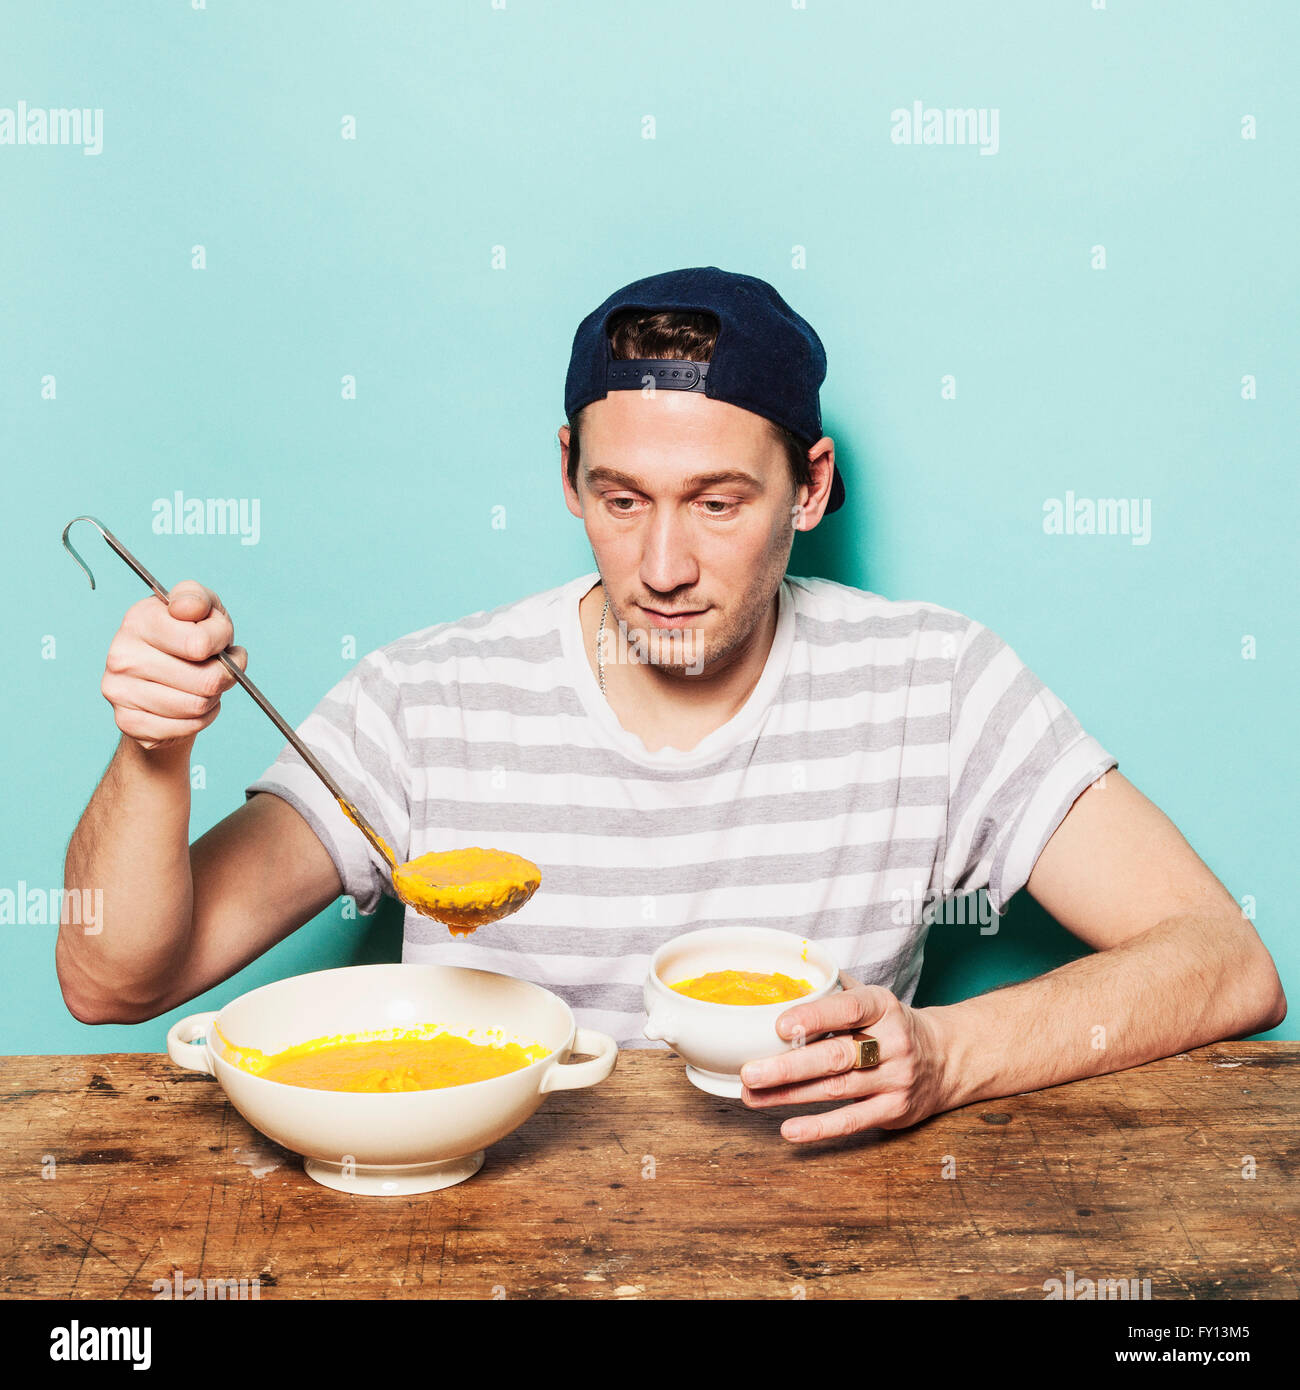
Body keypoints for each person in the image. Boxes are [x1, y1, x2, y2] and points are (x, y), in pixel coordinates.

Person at [59, 266, 1285, 1142]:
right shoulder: (429, 696)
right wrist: (151, 753)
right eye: (621, 497)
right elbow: (115, 982)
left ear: (809, 486)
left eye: (717, 501)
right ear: (564, 475)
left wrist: (949, 1055)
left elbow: (1222, 960)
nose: (659, 567)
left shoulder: (938, 685)